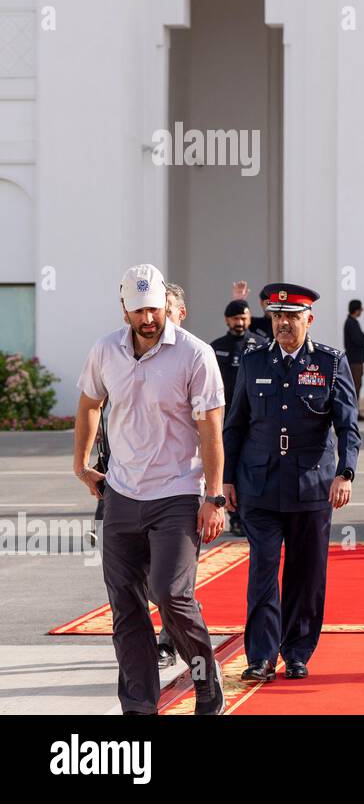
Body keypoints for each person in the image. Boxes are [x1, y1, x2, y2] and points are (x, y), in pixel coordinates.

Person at [72, 263, 226, 715]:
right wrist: (82, 467)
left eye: (155, 309)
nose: (149, 319)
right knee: (125, 605)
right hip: (121, 492)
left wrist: (213, 496)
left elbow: (211, 428)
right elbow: (89, 404)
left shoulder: (195, 354)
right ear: (125, 309)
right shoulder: (105, 351)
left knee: (170, 593)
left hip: (177, 492)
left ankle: (204, 677)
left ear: (165, 306)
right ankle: (139, 703)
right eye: (139, 310)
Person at [222, 283, 360, 683]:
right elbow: (235, 425)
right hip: (258, 485)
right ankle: (261, 656)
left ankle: (297, 651)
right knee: (262, 571)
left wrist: (345, 473)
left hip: (311, 486)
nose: (283, 323)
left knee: (306, 573)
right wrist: (227, 479)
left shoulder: (331, 363)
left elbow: (348, 426)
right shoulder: (252, 362)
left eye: (292, 317)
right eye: (277, 316)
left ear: (309, 320)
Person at [210, 299, 264, 538]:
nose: (240, 323)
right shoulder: (216, 347)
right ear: (226, 320)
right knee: (226, 466)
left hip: (252, 417)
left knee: (250, 465)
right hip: (223, 416)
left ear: (250, 318)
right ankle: (234, 517)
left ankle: (250, 514)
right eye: (235, 319)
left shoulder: (261, 345)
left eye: (243, 318)